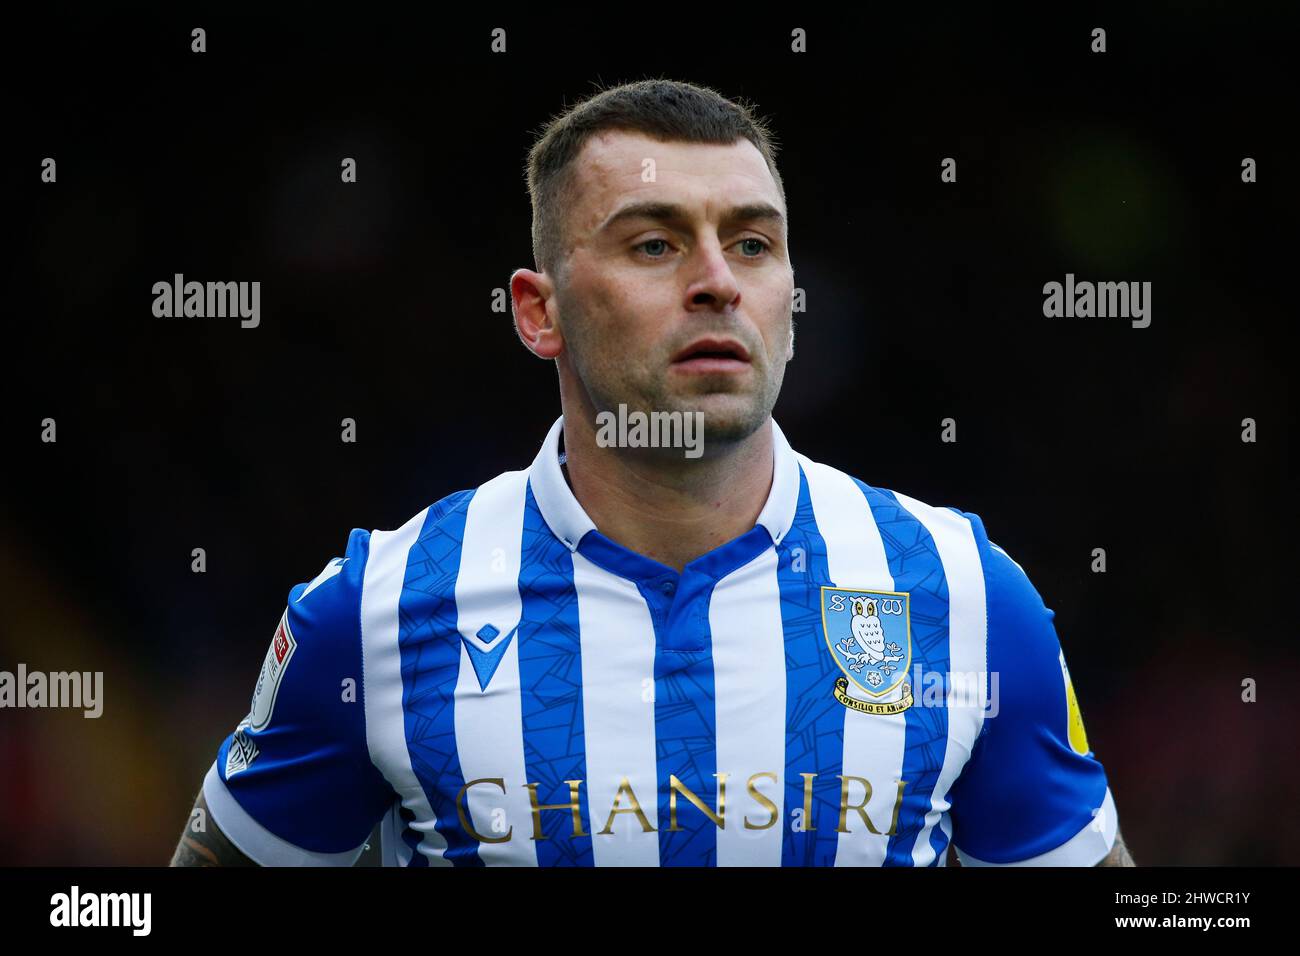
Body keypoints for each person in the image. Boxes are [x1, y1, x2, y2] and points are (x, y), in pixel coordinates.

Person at [172, 78, 1133, 867]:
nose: (717, 279)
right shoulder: (375, 611)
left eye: (752, 243)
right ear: (537, 313)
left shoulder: (963, 594)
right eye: (655, 243)